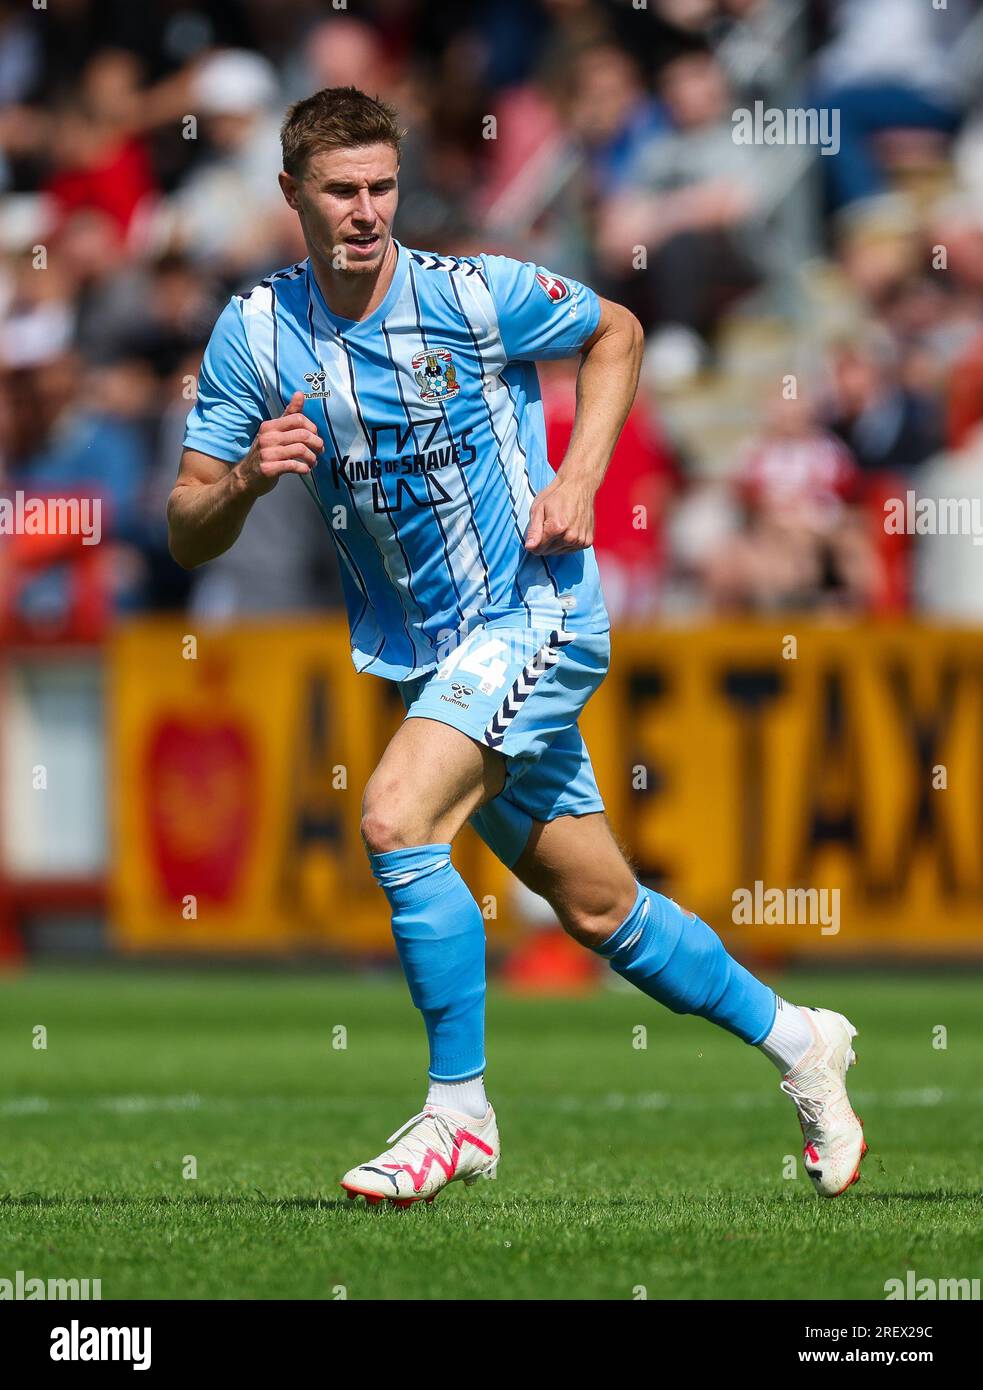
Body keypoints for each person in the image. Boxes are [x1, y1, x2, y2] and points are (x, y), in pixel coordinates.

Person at [166, 85, 866, 1206]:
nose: (365, 211)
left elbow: (614, 333)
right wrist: (248, 477)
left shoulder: (467, 293)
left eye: (381, 186)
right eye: (341, 190)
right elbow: (186, 524)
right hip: (428, 657)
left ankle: (459, 1114)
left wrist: (578, 476)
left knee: (396, 817)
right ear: (290, 193)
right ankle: (799, 1041)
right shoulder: (255, 331)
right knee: (597, 909)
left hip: (532, 614)